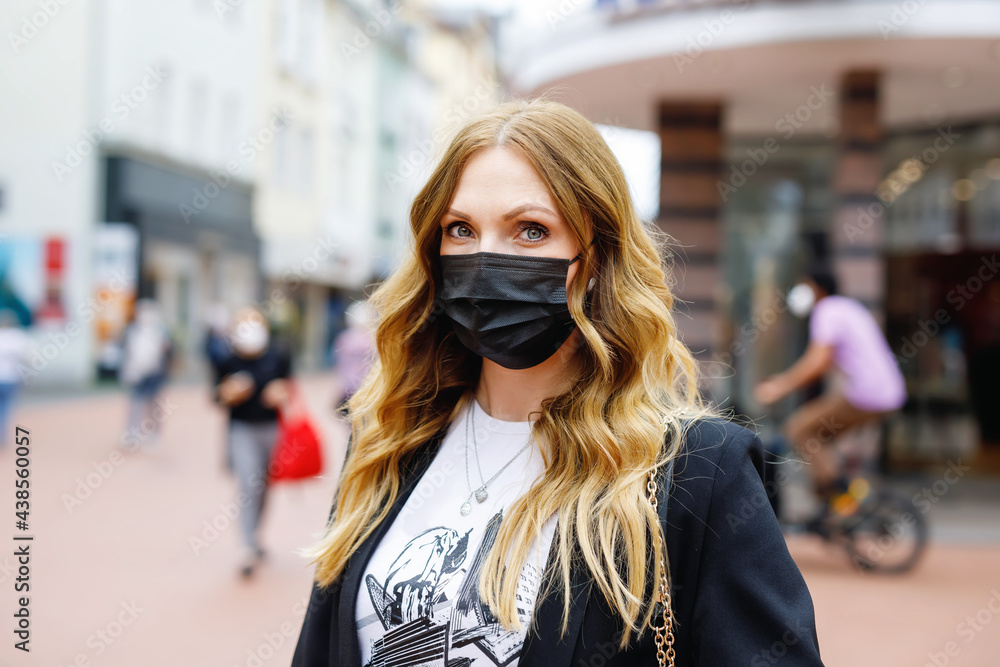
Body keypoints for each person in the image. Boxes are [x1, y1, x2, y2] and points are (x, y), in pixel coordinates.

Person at [292, 100, 823, 666]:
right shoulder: (386, 440)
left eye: (530, 230)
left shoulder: (695, 471)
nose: (487, 259)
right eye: (461, 229)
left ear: (596, 259)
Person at [754, 268, 906, 517]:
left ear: (817, 287)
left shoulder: (827, 311)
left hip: (867, 395)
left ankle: (842, 494)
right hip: (883, 394)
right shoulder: (848, 308)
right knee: (817, 438)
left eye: (804, 285)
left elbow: (818, 362)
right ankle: (830, 506)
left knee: (798, 429)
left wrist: (779, 386)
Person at [214, 306, 291, 578]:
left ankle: (256, 536)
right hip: (241, 429)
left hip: (271, 429)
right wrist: (228, 393)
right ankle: (246, 547)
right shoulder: (227, 360)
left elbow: (288, 387)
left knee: (264, 487)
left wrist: (279, 393)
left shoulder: (278, 355)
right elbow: (216, 396)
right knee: (248, 484)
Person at [119, 299, 173, 447]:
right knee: (135, 403)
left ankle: (153, 434)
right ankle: (132, 432)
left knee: (154, 405)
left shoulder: (160, 331)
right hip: (137, 373)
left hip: (154, 374)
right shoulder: (132, 331)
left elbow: (167, 352)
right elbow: (127, 353)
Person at [330, 300, 375, 415]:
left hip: (348, 389)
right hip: (368, 389)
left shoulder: (343, 338)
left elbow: (337, 362)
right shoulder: (374, 339)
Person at [0, 309, 29, 445]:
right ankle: (2, 435)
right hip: (10, 379)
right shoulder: (17, 337)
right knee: (5, 407)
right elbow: (28, 357)